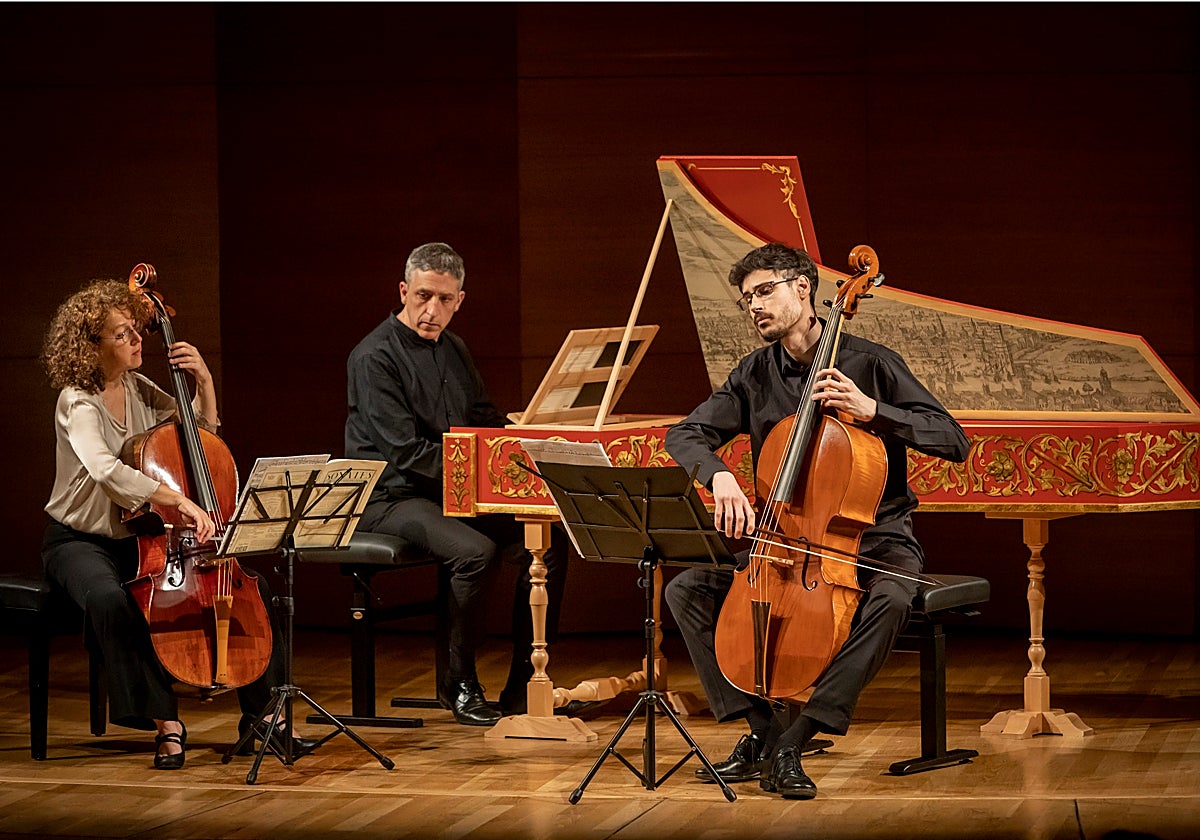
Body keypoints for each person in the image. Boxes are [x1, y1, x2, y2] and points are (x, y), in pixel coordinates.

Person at [664, 243, 970, 799]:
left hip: (876, 538)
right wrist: (721, 477)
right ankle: (765, 731)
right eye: (746, 298)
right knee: (686, 588)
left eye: (764, 291)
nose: (754, 305)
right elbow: (685, 434)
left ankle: (801, 732)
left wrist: (875, 411)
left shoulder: (870, 364)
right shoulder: (754, 374)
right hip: (783, 543)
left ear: (803, 288)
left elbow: (953, 440)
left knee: (895, 598)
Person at [40, 279, 317, 770]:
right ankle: (166, 723)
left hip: (145, 536)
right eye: (123, 333)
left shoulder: (136, 386)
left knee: (256, 590)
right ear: (92, 344)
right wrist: (182, 502)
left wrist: (204, 382)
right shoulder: (76, 400)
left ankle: (266, 717)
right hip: (82, 541)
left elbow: (198, 436)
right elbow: (106, 469)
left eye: (136, 329)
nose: (136, 339)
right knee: (108, 599)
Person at [345, 242, 568, 726]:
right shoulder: (373, 356)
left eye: (445, 300)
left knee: (549, 544)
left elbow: (482, 420)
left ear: (460, 300)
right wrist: (488, 475)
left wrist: (528, 441)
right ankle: (459, 683)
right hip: (389, 495)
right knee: (474, 552)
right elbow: (404, 452)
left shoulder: (454, 348)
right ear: (403, 291)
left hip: (450, 489)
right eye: (423, 296)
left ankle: (523, 683)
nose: (432, 310)